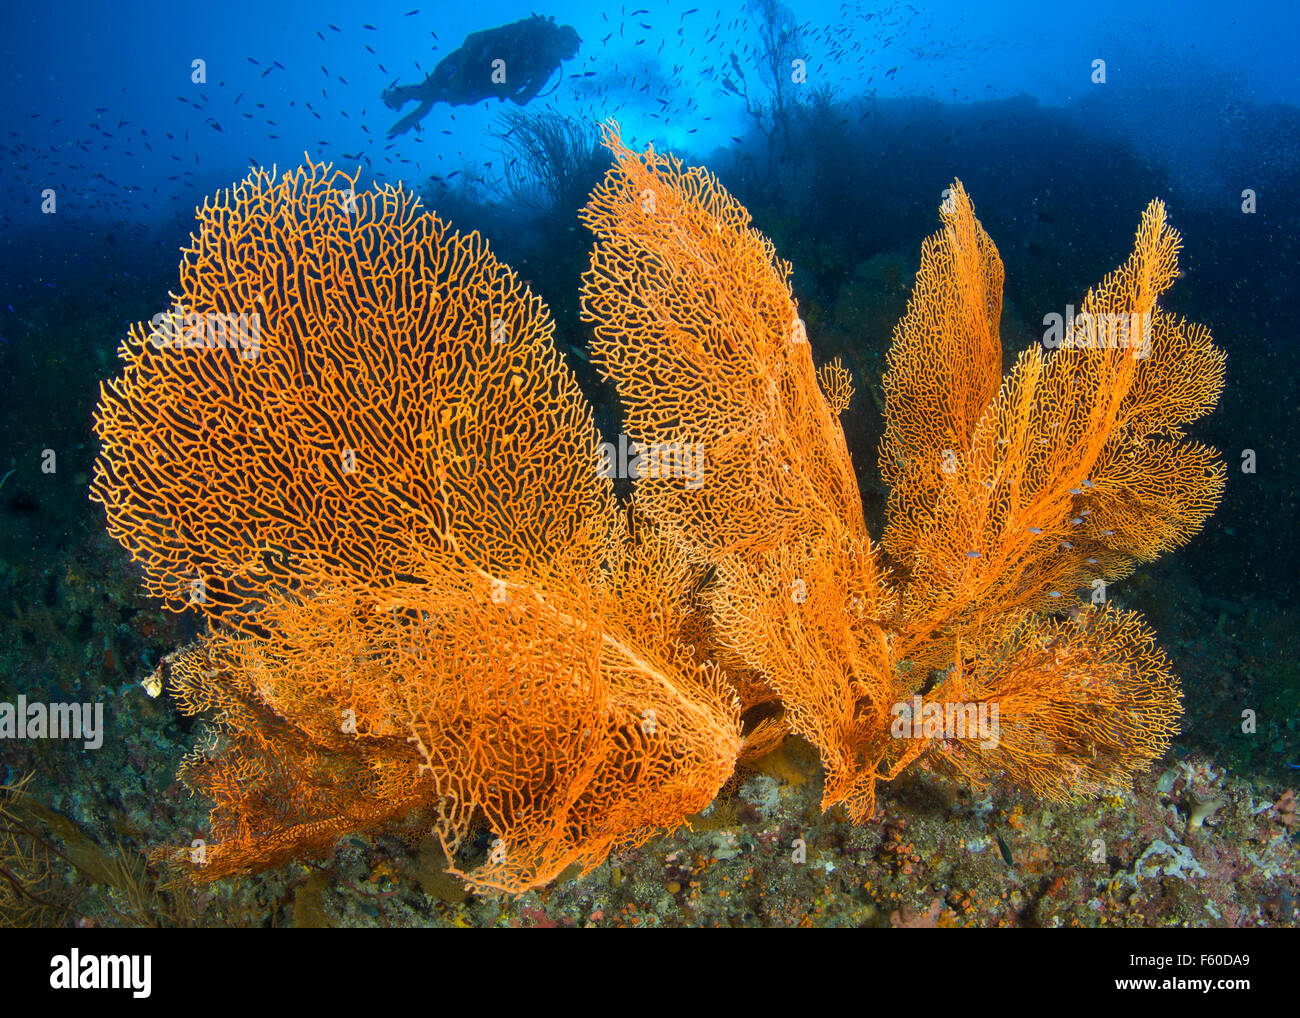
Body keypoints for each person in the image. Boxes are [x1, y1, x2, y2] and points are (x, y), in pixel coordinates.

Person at [382, 15, 581, 137]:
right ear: (557, 39)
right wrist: (462, 74)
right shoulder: (527, 32)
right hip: (467, 60)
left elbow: (522, 98)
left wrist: (506, 87)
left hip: (483, 85)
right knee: (430, 89)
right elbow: (474, 39)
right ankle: (402, 99)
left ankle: (405, 103)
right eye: (566, 49)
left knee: (445, 96)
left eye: (569, 55)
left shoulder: (547, 65)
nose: (565, 57)